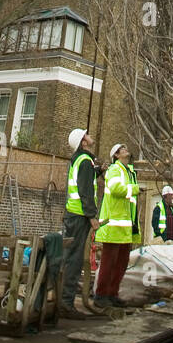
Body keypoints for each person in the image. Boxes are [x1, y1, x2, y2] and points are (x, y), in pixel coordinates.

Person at [94, 143, 140, 309]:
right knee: (109, 261)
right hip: (113, 224)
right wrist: (134, 189)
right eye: (122, 149)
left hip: (126, 224)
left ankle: (113, 293)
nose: (126, 150)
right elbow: (115, 188)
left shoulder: (129, 172)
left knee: (121, 262)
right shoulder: (115, 169)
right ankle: (101, 294)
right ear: (116, 155)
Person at [60, 127, 100, 319]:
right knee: (75, 259)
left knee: (71, 257)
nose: (90, 136)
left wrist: (98, 171)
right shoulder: (85, 161)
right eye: (87, 135)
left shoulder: (80, 161)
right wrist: (92, 217)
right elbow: (85, 191)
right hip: (79, 216)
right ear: (83, 142)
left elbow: (84, 180)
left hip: (73, 215)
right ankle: (66, 303)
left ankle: (64, 299)